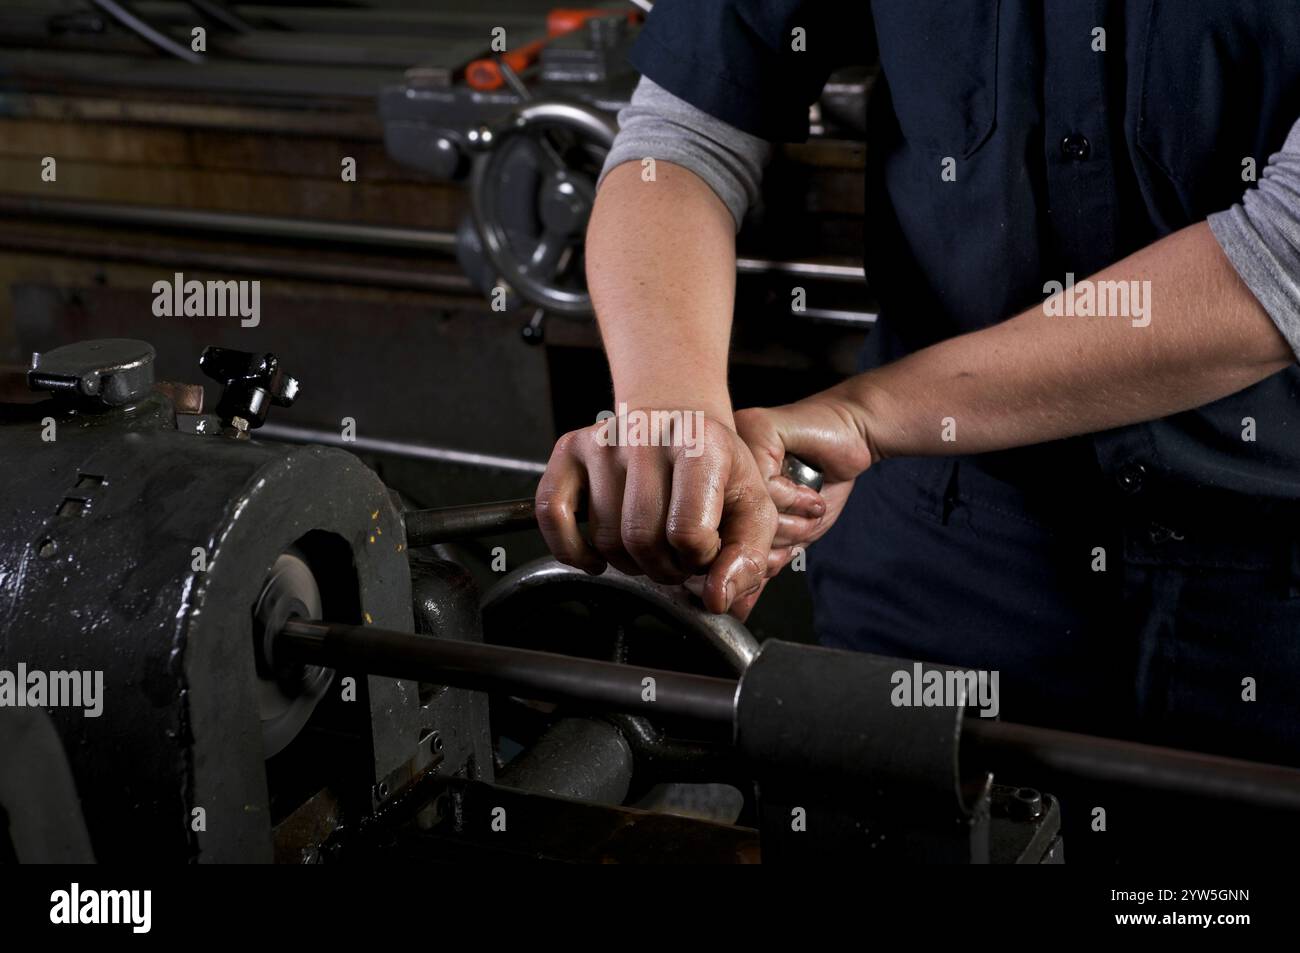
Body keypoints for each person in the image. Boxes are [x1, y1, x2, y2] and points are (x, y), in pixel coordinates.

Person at [534, 1, 1300, 768]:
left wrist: (865, 418)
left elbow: (1282, 258)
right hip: (938, 567)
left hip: (1271, 598)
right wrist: (675, 423)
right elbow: (683, 137)